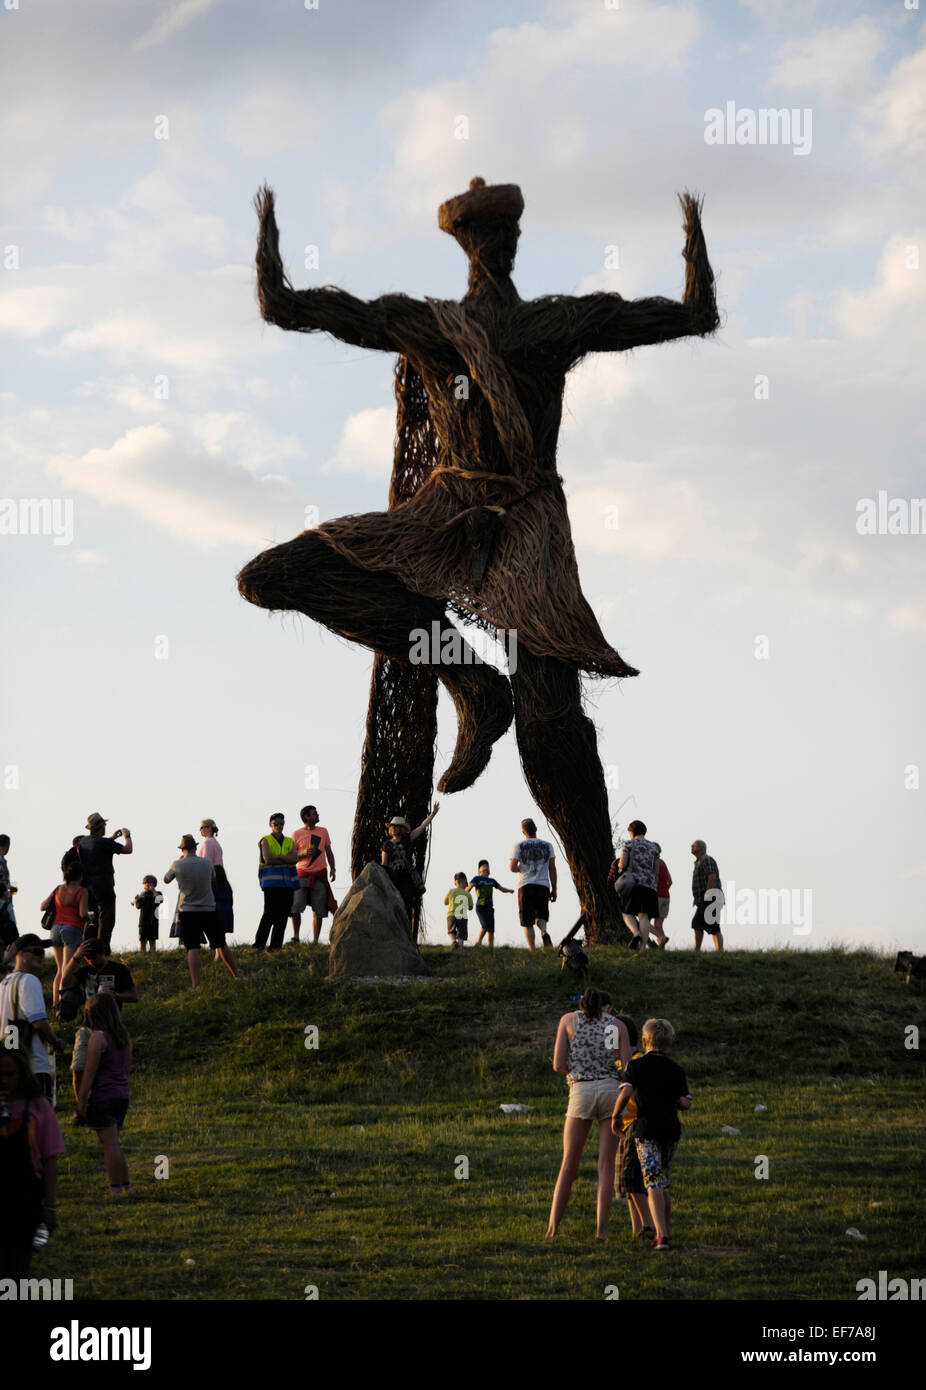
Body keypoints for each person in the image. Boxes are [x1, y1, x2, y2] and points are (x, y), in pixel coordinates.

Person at [546, 988, 629, 1241]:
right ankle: (601, 1231)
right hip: (611, 1091)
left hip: (580, 1091)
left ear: (582, 1004)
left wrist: (579, 1068)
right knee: (605, 1167)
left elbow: (558, 1064)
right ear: (606, 1006)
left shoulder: (568, 1021)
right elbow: (626, 1068)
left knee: (568, 1164)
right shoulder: (618, 1025)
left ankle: (552, 1229)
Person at [611, 1017, 692, 1251]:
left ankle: (661, 1236)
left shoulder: (636, 1066)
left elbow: (626, 1093)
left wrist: (616, 1115)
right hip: (670, 1129)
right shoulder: (676, 1068)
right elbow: (685, 1102)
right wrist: (672, 1099)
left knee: (652, 1182)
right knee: (662, 1181)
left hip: (646, 1130)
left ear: (644, 1041)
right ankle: (666, 1227)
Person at [0, 1047, 64, 1278]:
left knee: (17, 1266)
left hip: (25, 1198)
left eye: (11, 1074)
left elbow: (49, 1158)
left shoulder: (38, 1107)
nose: (5, 1081)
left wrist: (50, 1205)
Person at [165, 834, 239, 987]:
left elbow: (166, 879)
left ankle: (195, 984)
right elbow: (212, 878)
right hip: (208, 909)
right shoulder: (206, 863)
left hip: (188, 910)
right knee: (221, 943)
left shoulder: (177, 864)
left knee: (192, 947)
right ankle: (236, 975)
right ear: (195, 847)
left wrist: (179, 863)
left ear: (183, 849)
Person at [76, 993, 132, 1195]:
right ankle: (126, 1185)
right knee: (115, 1142)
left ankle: (115, 1188)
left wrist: (81, 1100)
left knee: (109, 1145)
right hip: (121, 1095)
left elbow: (90, 1071)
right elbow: (127, 1070)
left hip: (103, 1096)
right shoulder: (124, 1037)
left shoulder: (98, 1038)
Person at [0, 934, 63, 1102]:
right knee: (40, 1123)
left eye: (42, 952)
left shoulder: (4, 984)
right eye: (35, 951)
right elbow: (38, 1023)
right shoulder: (29, 980)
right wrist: (56, 1042)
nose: (40, 956)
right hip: (33, 1066)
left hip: (9, 1065)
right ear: (20, 953)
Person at [611, 1014, 652, 1241]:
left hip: (633, 1125)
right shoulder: (626, 1063)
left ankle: (647, 1225)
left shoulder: (634, 1063)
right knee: (627, 1185)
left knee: (633, 1180)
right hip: (627, 1127)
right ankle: (637, 1228)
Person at [77, 813, 133, 952]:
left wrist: (112, 838)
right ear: (100, 826)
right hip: (104, 885)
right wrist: (127, 836)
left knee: (92, 919)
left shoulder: (83, 842)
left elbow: (98, 846)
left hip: (87, 887)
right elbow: (128, 849)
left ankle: (87, 948)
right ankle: (102, 948)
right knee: (106, 918)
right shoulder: (105, 843)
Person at [380, 804, 440, 932]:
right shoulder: (387, 845)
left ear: (401, 828)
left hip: (407, 876)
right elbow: (384, 864)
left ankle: (406, 929)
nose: (394, 828)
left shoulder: (407, 839)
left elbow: (422, 827)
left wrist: (433, 814)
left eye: (397, 826)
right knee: (394, 902)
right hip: (393, 877)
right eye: (392, 826)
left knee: (406, 902)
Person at [42, 861, 88, 1005]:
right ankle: (63, 1005)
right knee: (66, 969)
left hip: (55, 928)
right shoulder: (82, 891)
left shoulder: (58, 889)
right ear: (81, 875)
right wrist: (89, 917)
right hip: (72, 929)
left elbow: (43, 906)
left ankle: (56, 1004)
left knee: (59, 970)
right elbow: (83, 913)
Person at [290, 805, 337, 943]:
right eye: (314, 814)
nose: (317, 815)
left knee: (319, 909)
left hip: (320, 875)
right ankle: (296, 936)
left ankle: (315, 940)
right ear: (306, 817)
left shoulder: (323, 831)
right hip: (302, 875)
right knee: (296, 906)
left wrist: (333, 868)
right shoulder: (296, 834)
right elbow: (291, 857)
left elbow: (328, 851)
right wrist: (303, 853)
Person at [613, 820, 662, 950]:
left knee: (626, 912)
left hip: (633, 884)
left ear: (631, 831)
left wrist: (618, 866)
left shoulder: (628, 844)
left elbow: (622, 864)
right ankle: (642, 948)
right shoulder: (654, 847)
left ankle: (636, 933)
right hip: (650, 885)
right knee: (644, 915)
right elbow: (656, 871)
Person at [510, 818, 556, 950]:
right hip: (543, 885)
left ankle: (532, 949)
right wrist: (555, 889)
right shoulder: (548, 845)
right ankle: (543, 931)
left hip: (526, 885)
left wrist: (523, 869)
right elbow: (552, 868)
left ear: (523, 832)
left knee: (527, 920)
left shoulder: (519, 846)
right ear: (536, 829)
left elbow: (512, 867)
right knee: (541, 915)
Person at [255, 813, 300, 951]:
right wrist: (284, 858)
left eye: (282, 823)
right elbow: (268, 858)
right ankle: (259, 944)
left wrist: (279, 857)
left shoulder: (289, 841)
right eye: (276, 823)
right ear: (270, 825)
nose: (279, 826)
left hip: (287, 885)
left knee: (283, 916)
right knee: (269, 914)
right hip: (271, 884)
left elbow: (295, 859)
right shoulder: (265, 840)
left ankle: (275, 946)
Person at [198, 820, 234, 952]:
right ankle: (220, 949)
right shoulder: (215, 843)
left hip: (212, 880)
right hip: (220, 878)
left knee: (213, 914)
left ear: (209, 828)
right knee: (219, 915)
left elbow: (206, 863)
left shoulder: (208, 842)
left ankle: (219, 950)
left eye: (203, 827)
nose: (200, 829)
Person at [468, 859, 514, 946]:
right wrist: (467, 889)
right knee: (485, 925)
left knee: (491, 929)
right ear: (479, 870)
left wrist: (509, 890)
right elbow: (469, 887)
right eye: (484, 865)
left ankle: (491, 948)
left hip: (489, 907)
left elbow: (501, 888)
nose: (486, 867)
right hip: (481, 906)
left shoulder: (492, 880)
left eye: (487, 866)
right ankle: (478, 943)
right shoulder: (477, 878)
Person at [691, 840, 723, 950]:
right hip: (708, 898)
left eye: (695, 845)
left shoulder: (706, 859)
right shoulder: (699, 862)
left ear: (702, 848)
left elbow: (712, 877)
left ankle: (697, 950)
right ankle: (720, 951)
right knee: (713, 926)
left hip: (710, 897)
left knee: (697, 923)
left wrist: (707, 896)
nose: (692, 846)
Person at [132, 876, 163, 954]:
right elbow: (138, 907)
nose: (147, 885)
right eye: (145, 883)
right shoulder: (142, 895)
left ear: (154, 884)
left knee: (152, 941)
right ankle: (142, 956)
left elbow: (160, 900)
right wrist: (136, 900)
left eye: (149, 883)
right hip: (142, 922)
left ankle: (153, 956)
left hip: (153, 922)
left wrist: (153, 891)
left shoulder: (157, 893)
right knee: (142, 941)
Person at [444, 873, 472, 949]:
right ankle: (460, 948)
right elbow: (470, 907)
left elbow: (445, 902)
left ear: (455, 882)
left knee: (451, 931)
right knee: (461, 934)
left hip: (451, 915)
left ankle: (453, 942)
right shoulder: (467, 894)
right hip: (462, 917)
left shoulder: (451, 891)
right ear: (465, 882)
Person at [654, 857, 672, 949]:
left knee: (643, 921)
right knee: (658, 925)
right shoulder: (663, 863)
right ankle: (662, 947)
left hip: (656, 896)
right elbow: (670, 882)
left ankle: (661, 937)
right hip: (666, 896)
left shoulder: (652, 863)